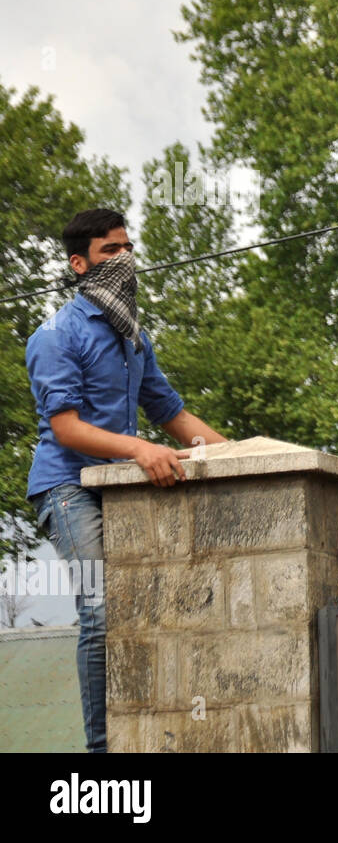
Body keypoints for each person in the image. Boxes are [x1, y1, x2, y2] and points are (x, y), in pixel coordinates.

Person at [25, 208, 227, 752]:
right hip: (67, 488)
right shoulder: (56, 334)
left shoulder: (133, 338)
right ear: (79, 264)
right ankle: (101, 753)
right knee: (102, 606)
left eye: (127, 248)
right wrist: (140, 449)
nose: (125, 260)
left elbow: (175, 418)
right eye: (110, 251)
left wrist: (244, 455)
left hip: (124, 487)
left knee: (155, 605)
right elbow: (66, 429)